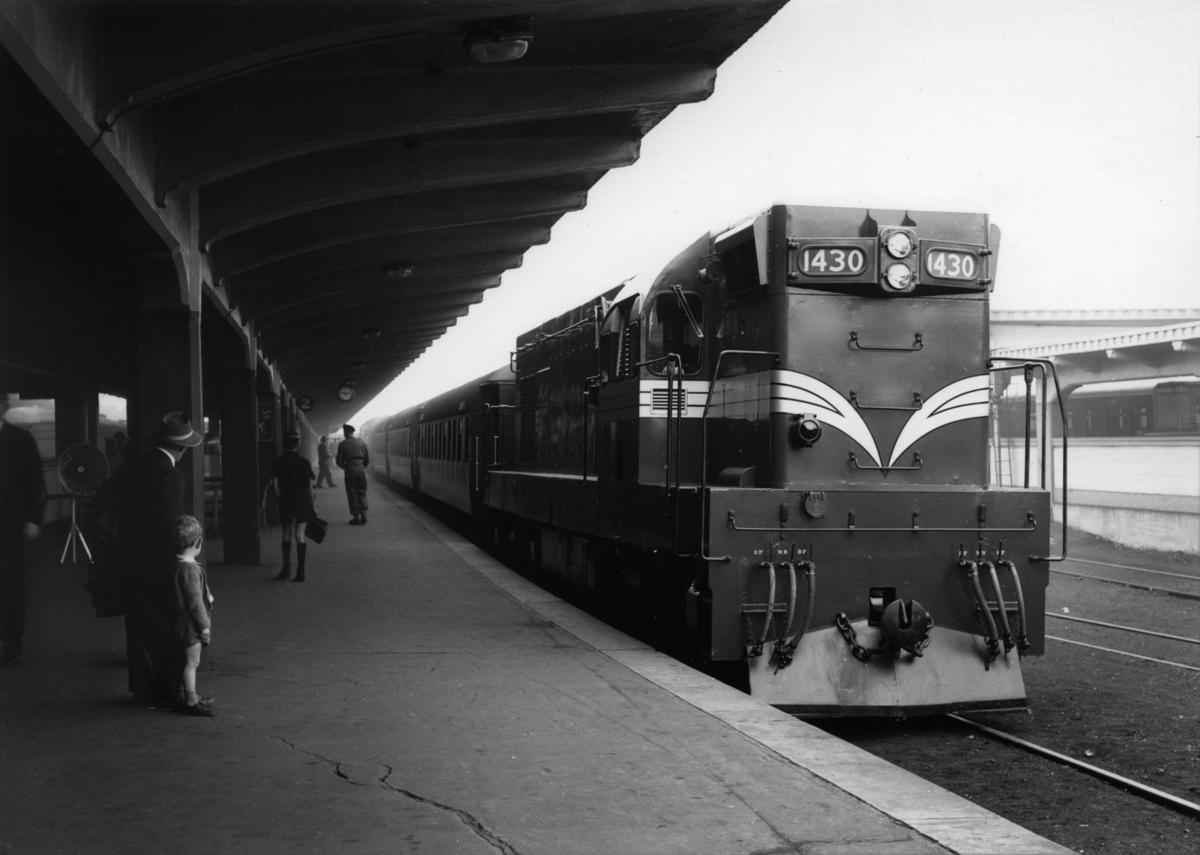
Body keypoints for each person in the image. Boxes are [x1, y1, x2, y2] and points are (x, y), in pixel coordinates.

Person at [118, 411, 204, 703]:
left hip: (132, 558)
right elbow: (171, 526)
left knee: (138, 624)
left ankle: (141, 687)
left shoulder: (135, 466)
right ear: (183, 448)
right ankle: (166, 690)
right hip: (159, 562)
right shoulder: (172, 476)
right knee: (167, 624)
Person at [0, 393, 45, 666]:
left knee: (9, 581)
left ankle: (11, 640)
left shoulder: (20, 438)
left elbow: (36, 481)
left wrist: (32, 518)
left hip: (9, 523)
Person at [165, 514, 214, 716]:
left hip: (178, 623)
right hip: (191, 626)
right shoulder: (190, 570)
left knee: (183, 661)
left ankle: (183, 695)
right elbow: (195, 604)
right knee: (192, 663)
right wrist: (204, 626)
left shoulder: (176, 566)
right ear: (198, 543)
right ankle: (191, 700)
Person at [270, 430, 315, 581]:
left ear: (284, 444)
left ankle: (286, 569)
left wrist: (280, 499)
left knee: (286, 533)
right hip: (302, 499)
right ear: (298, 443)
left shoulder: (278, 462)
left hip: (286, 499)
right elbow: (310, 487)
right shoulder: (304, 462)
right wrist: (312, 504)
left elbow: (275, 485)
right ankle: (301, 572)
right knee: (300, 535)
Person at [335, 423, 369, 525]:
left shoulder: (343, 444)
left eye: (344, 432)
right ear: (352, 433)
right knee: (362, 491)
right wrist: (362, 467)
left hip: (350, 468)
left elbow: (339, 461)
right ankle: (364, 515)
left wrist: (347, 467)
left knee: (352, 493)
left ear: (346, 433)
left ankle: (356, 517)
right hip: (361, 468)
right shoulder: (362, 443)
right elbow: (367, 459)